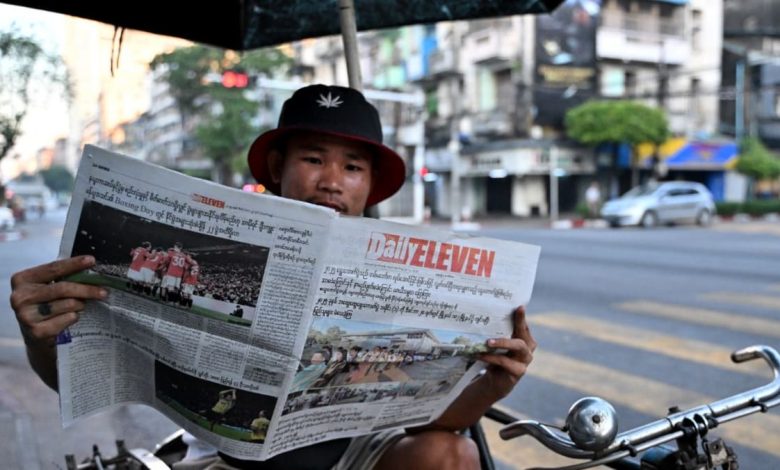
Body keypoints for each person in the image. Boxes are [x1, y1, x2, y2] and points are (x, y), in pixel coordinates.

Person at [9, 84, 536, 470]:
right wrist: (43, 339)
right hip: (225, 459)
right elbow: (77, 380)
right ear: (278, 167)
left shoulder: (408, 279)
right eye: (312, 159)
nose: (332, 181)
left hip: (356, 456)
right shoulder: (199, 256)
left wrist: (493, 384)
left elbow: (431, 425)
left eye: (353, 167)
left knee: (451, 454)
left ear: (371, 185)